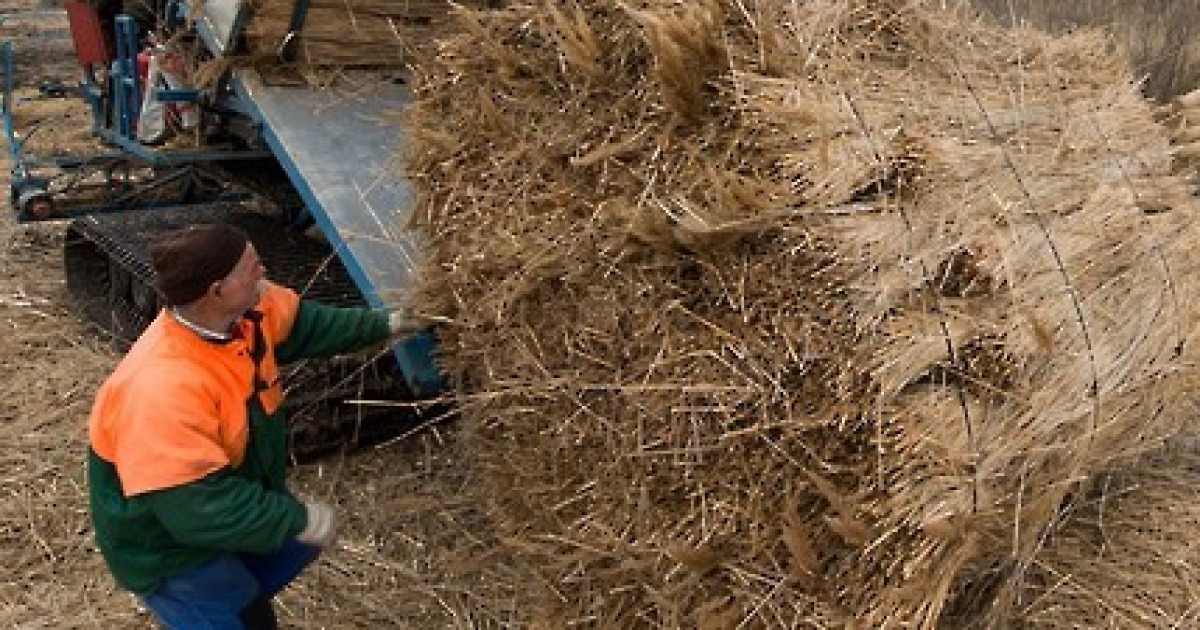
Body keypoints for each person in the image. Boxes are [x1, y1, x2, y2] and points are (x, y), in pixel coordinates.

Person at [86, 223, 421, 629]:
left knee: (289, 553)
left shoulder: (247, 313)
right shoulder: (162, 387)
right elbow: (199, 507)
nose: (262, 271)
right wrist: (296, 519)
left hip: (218, 496)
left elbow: (307, 326)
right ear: (216, 290)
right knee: (241, 609)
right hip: (168, 544)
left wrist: (387, 325)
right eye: (250, 267)